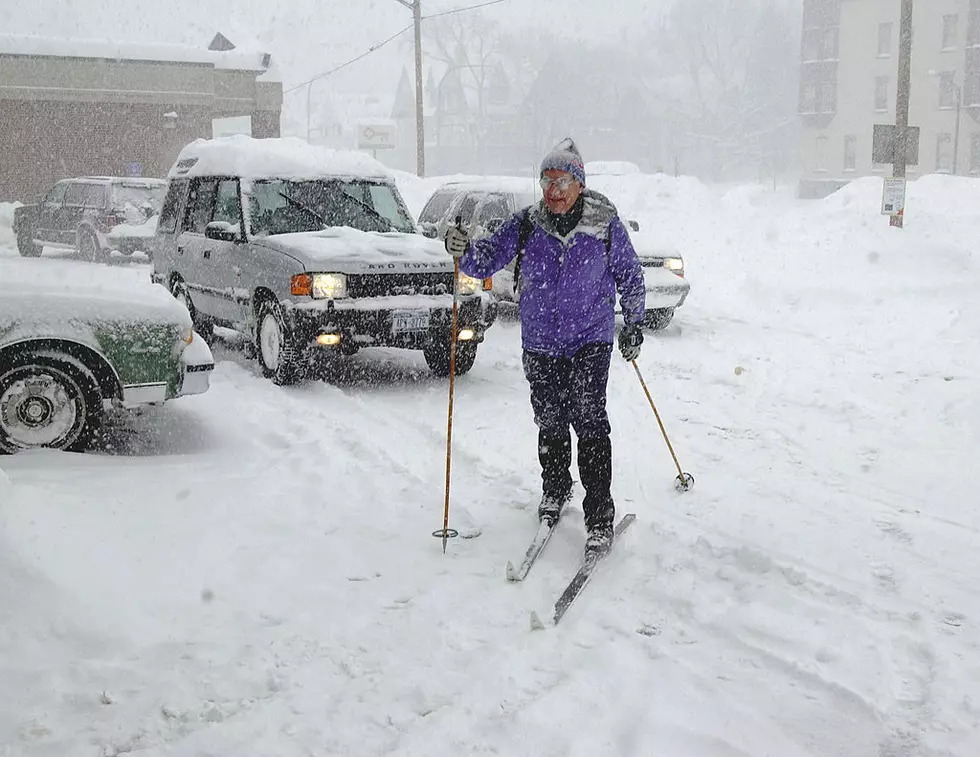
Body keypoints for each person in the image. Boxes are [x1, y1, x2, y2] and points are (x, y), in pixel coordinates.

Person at [444, 138, 646, 557]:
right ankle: (554, 490)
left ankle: (599, 515)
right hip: (540, 342)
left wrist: (634, 323)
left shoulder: (603, 223)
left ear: (579, 183)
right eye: (546, 180)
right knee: (551, 420)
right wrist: (461, 251)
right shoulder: (526, 224)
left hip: (590, 338)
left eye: (562, 180)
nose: (553, 190)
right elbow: (484, 261)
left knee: (589, 420)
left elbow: (630, 275)